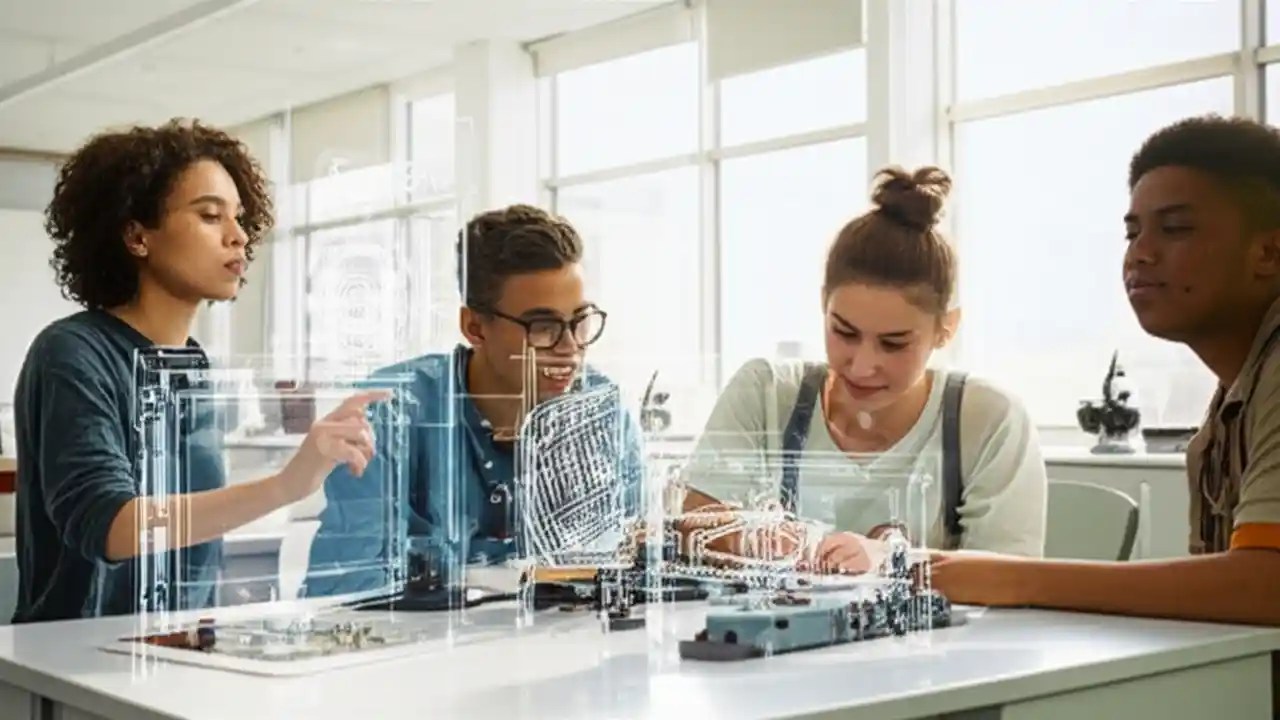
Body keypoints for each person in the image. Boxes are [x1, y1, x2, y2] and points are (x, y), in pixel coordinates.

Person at [12, 119, 387, 624]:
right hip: (79, 666)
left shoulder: (192, 363)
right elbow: (111, 527)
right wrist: (285, 485)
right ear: (136, 235)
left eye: (239, 218)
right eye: (211, 216)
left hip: (181, 650)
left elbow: (191, 541)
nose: (238, 237)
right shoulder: (73, 353)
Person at [931, 115, 1280, 627]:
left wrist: (1014, 578)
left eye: (1176, 229)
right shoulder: (1228, 409)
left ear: (1269, 252)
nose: (1141, 253)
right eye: (1133, 231)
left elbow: (1266, 587)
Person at [679, 166, 1048, 573]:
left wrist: (895, 562)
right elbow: (694, 525)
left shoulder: (990, 421)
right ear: (824, 303)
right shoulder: (765, 391)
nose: (862, 365)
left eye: (893, 343)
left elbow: (1010, 577)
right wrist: (760, 539)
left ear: (946, 329)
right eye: (844, 332)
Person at [304, 204, 644, 599]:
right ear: (475, 327)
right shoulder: (387, 415)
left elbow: (633, 560)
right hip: (420, 655)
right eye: (543, 327)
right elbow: (344, 590)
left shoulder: (603, 413)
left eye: (580, 321)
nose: (570, 349)